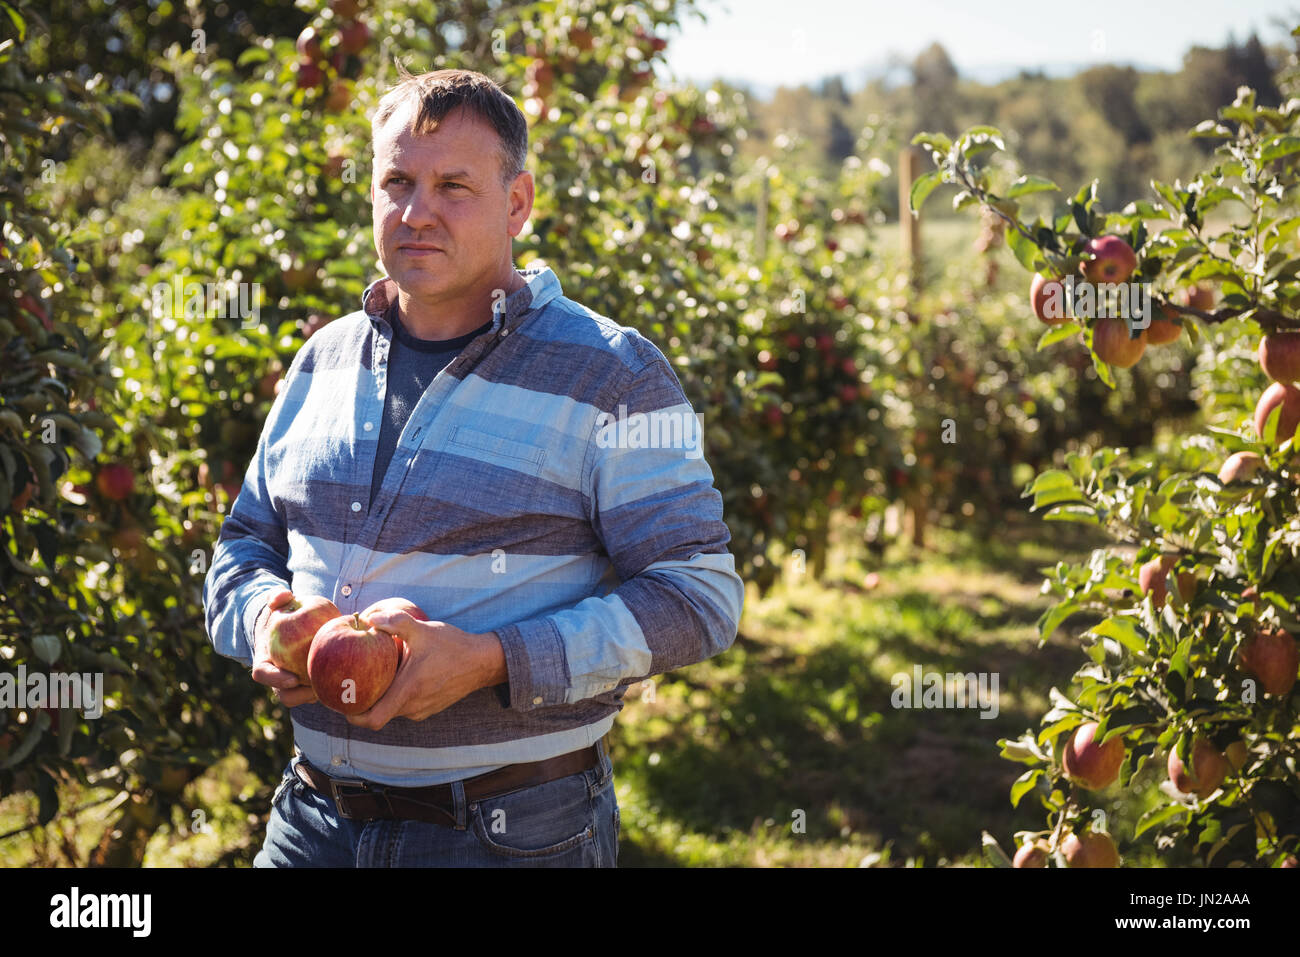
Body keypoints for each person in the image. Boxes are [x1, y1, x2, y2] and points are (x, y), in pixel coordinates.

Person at [201, 66, 744, 867]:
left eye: (454, 186)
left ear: (517, 202)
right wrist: (270, 623)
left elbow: (699, 594)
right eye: (397, 181)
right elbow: (242, 547)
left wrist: (490, 661)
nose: (417, 213)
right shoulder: (324, 359)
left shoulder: (610, 373)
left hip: (507, 831)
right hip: (312, 818)